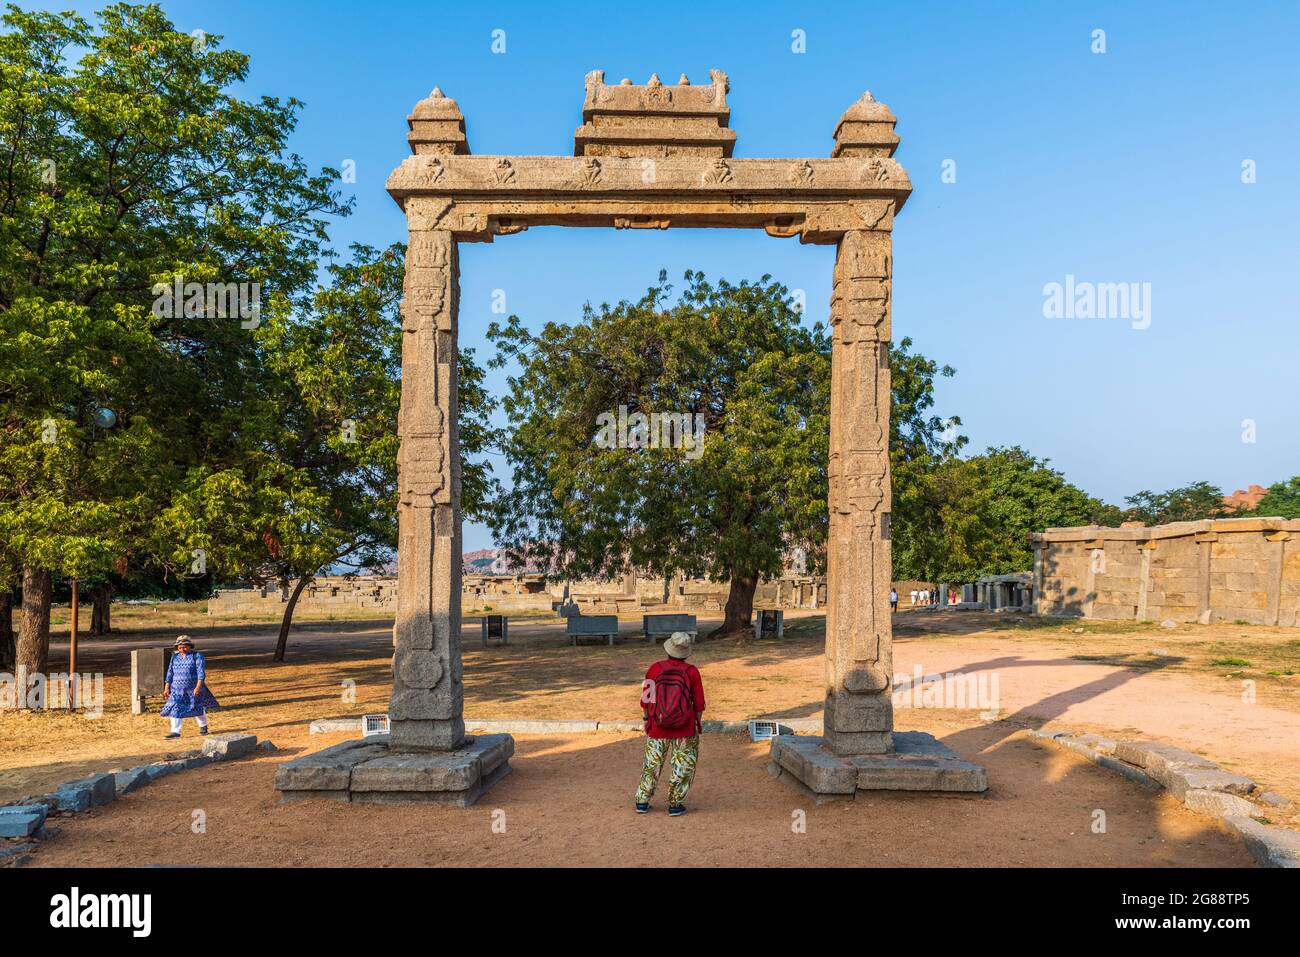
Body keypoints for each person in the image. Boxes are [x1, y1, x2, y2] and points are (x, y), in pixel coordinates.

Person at [635, 632, 705, 817]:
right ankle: (675, 803)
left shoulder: (654, 669)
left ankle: (642, 800)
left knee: (652, 763)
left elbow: (646, 700)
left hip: (658, 726)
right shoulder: (691, 672)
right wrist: (697, 723)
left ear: (668, 649)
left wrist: (647, 720)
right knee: (682, 765)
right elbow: (699, 704)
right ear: (686, 653)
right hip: (685, 727)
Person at [160, 635, 220, 738]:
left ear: (190, 646)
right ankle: (175, 732)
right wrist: (167, 687)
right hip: (177, 689)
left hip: (193, 688)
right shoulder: (175, 657)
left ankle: (203, 726)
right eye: (179, 647)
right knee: (175, 709)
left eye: (184, 647)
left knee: (196, 708)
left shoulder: (197, 656)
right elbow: (170, 672)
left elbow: (201, 673)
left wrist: (198, 687)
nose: (182, 649)